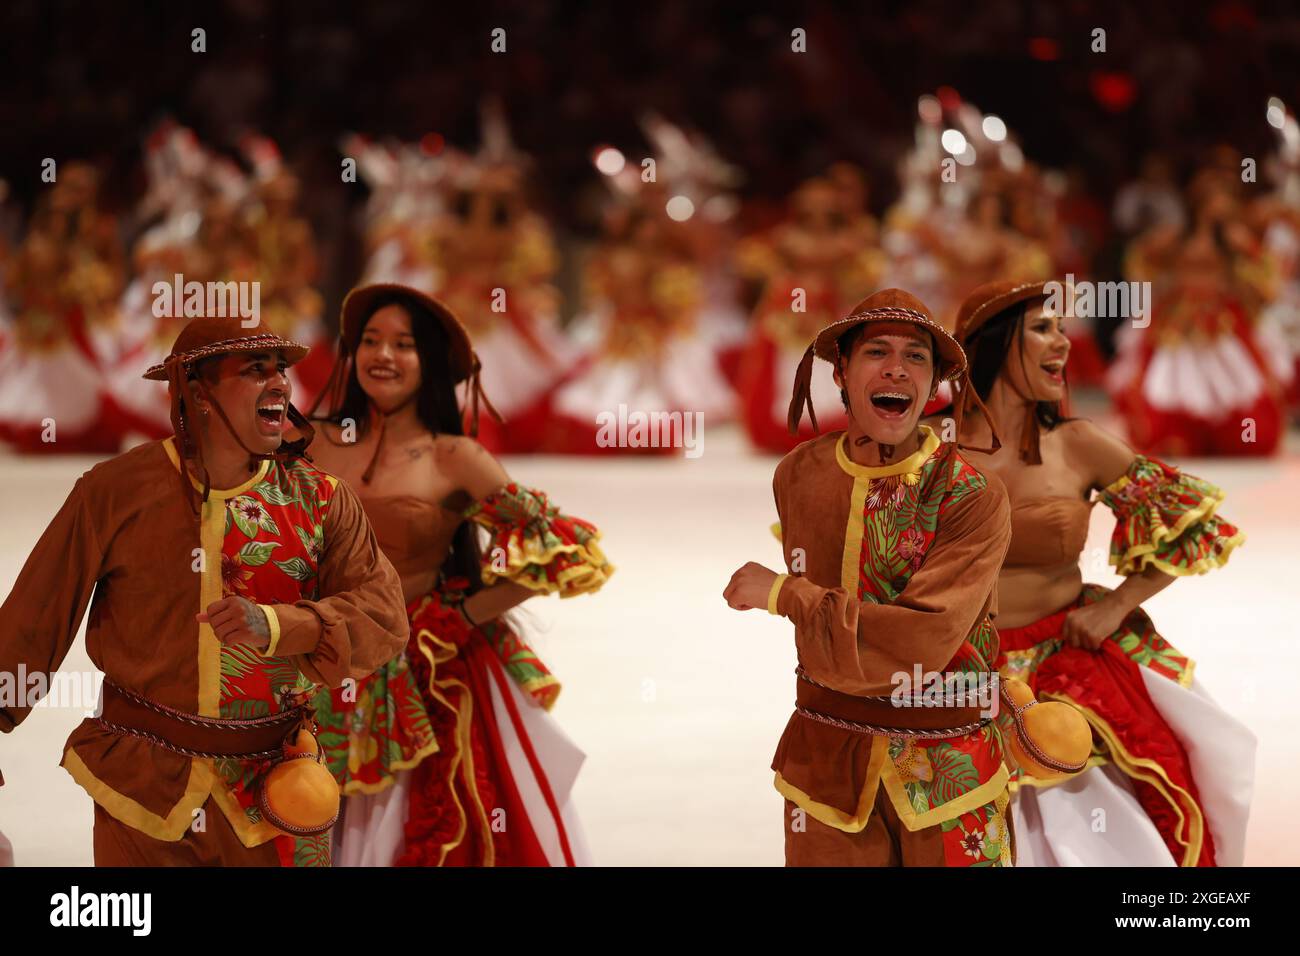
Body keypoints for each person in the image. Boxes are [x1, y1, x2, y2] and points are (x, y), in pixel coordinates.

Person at [0, 316, 409, 866]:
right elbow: (33, 620)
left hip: (279, 796)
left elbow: (384, 616)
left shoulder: (321, 499)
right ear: (197, 392)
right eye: (254, 370)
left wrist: (285, 624)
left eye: (281, 369)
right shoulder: (115, 491)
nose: (280, 384)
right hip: (142, 787)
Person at [945, 278, 1256, 866]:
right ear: (990, 344)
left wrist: (1113, 607)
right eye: (1042, 328)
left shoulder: (1079, 444)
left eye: (1062, 328)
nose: (1062, 342)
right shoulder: (926, 447)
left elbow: (1195, 525)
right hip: (953, 671)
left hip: (1066, 664)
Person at [308, 283, 613, 866]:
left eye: (404, 344)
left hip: (426, 673)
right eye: (370, 341)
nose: (383, 356)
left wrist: (465, 614)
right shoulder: (313, 442)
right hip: (317, 661)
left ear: (432, 363)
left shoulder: (455, 457)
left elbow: (565, 550)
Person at [724, 288, 1020, 867]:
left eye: (916, 357)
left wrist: (787, 594)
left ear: (935, 384)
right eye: (876, 352)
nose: (896, 369)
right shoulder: (799, 475)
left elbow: (920, 640)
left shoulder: (970, 494)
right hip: (827, 764)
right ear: (841, 372)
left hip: (948, 767)